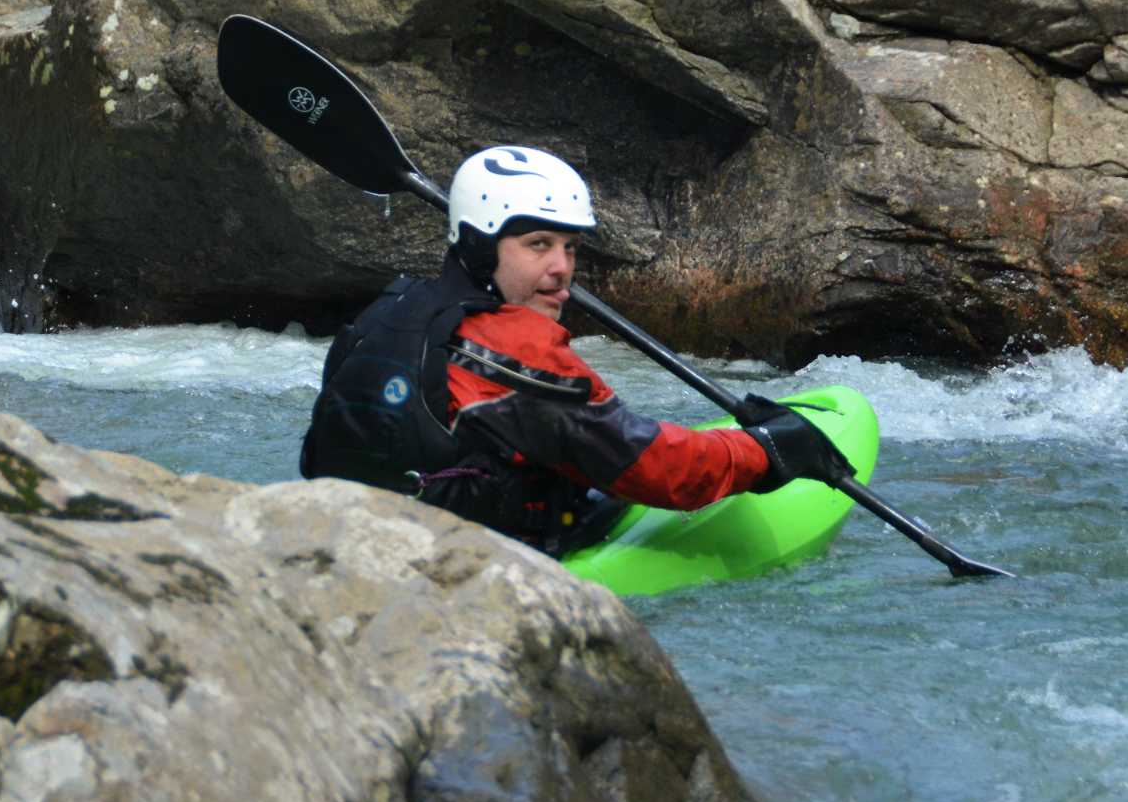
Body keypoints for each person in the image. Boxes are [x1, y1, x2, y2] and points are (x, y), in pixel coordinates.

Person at [300, 144, 853, 554]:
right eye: (537, 244)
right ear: (478, 244)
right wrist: (766, 453)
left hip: (353, 543)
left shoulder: (386, 311)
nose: (562, 268)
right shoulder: (514, 346)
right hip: (470, 565)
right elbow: (654, 468)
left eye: (569, 246)